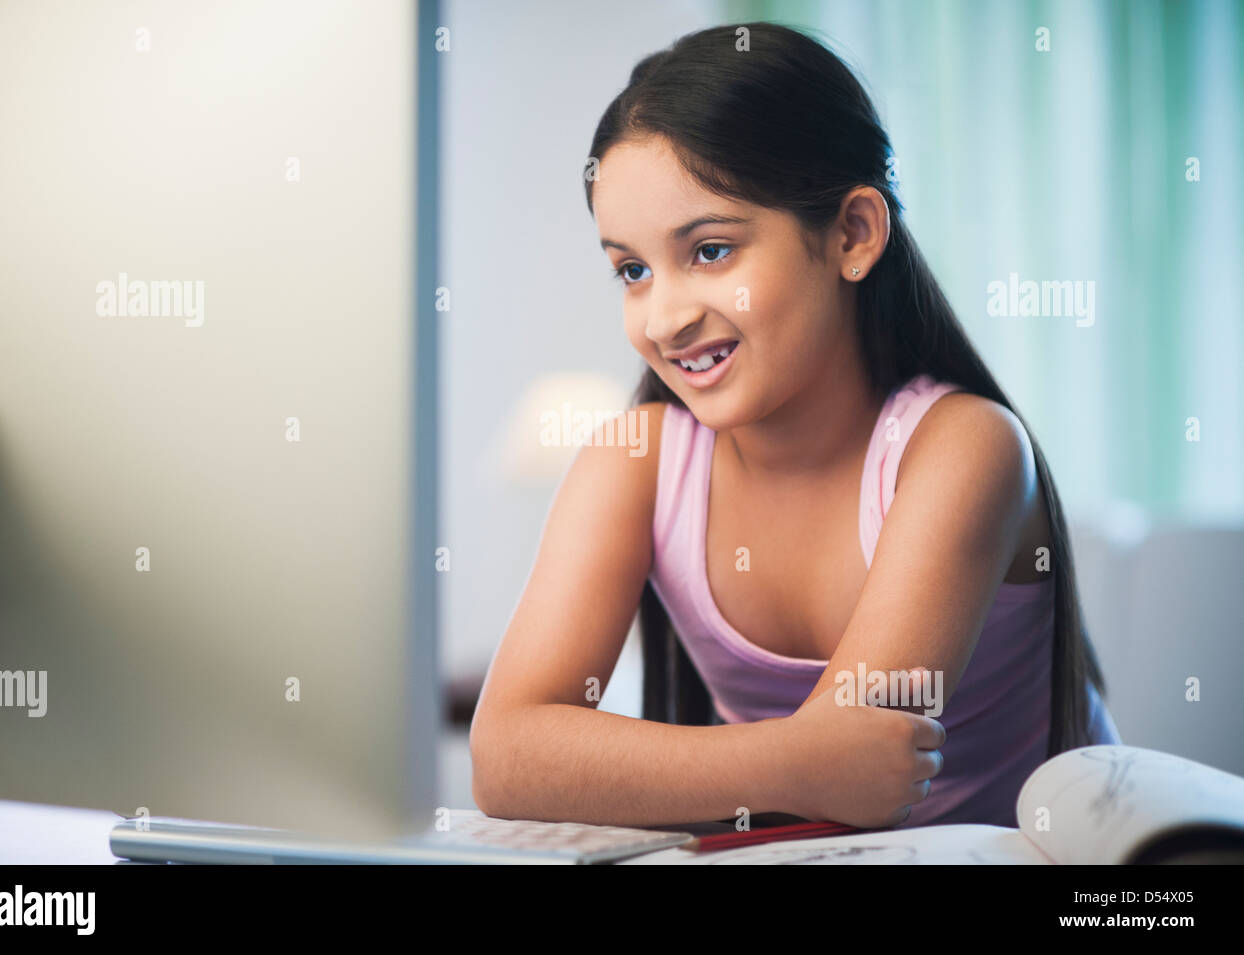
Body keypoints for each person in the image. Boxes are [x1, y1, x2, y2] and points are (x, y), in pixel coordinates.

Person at [470, 22, 1119, 830]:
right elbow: (506, 756)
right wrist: (797, 758)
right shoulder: (633, 460)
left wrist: (762, 766)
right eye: (632, 269)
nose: (664, 317)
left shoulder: (963, 447)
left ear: (852, 234)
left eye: (710, 251)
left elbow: (870, 776)